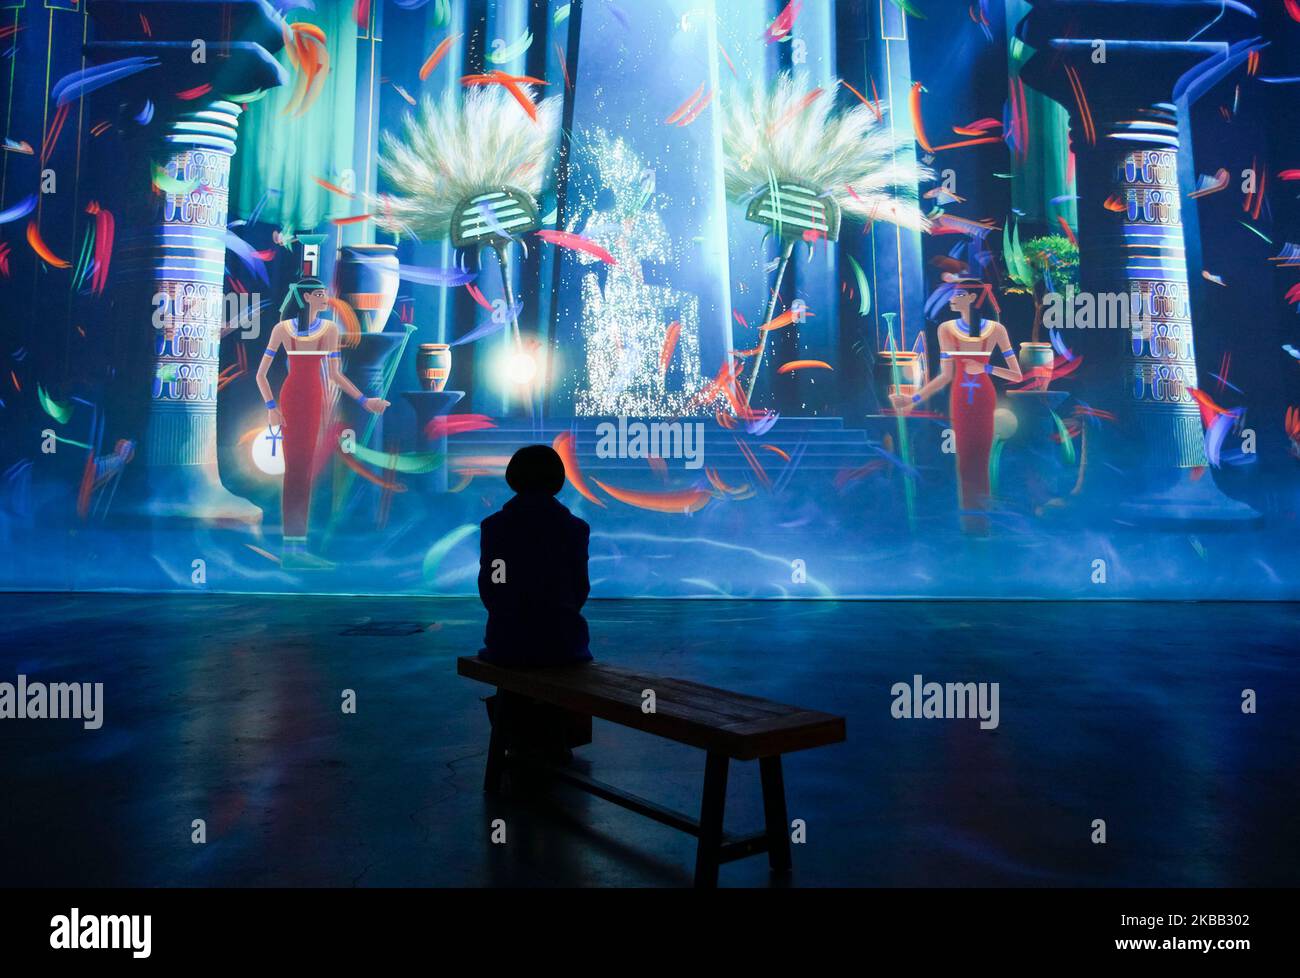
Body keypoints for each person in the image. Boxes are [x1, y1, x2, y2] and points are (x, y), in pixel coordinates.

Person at [255, 278, 389, 566]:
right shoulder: (282, 330)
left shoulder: (329, 330)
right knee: (294, 471)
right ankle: (292, 550)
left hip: (314, 399)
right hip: (292, 398)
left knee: (304, 470)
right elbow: (260, 374)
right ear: (306, 298)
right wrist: (271, 407)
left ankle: (296, 549)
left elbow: (337, 376)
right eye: (319, 295)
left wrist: (367, 402)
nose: (325, 299)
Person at [891, 277, 1022, 535]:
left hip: (983, 397)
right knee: (964, 461)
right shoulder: (947, 329)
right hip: (960, 400)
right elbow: (945, 377)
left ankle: (984, 524)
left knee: (981, 459)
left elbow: (1016, 375)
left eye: (958, 293)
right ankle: (970, 525)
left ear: (973, 298)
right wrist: (912, 400)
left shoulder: (996, 330)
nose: (951, 298)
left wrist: (985, 367)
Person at [478, 445, 592, 665]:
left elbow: (492, 583)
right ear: (558, 480)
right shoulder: (576, 528)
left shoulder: (495, 526)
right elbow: (579, 587)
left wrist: (507, 614)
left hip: (507, 640)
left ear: (512, 477)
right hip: (564, 641)